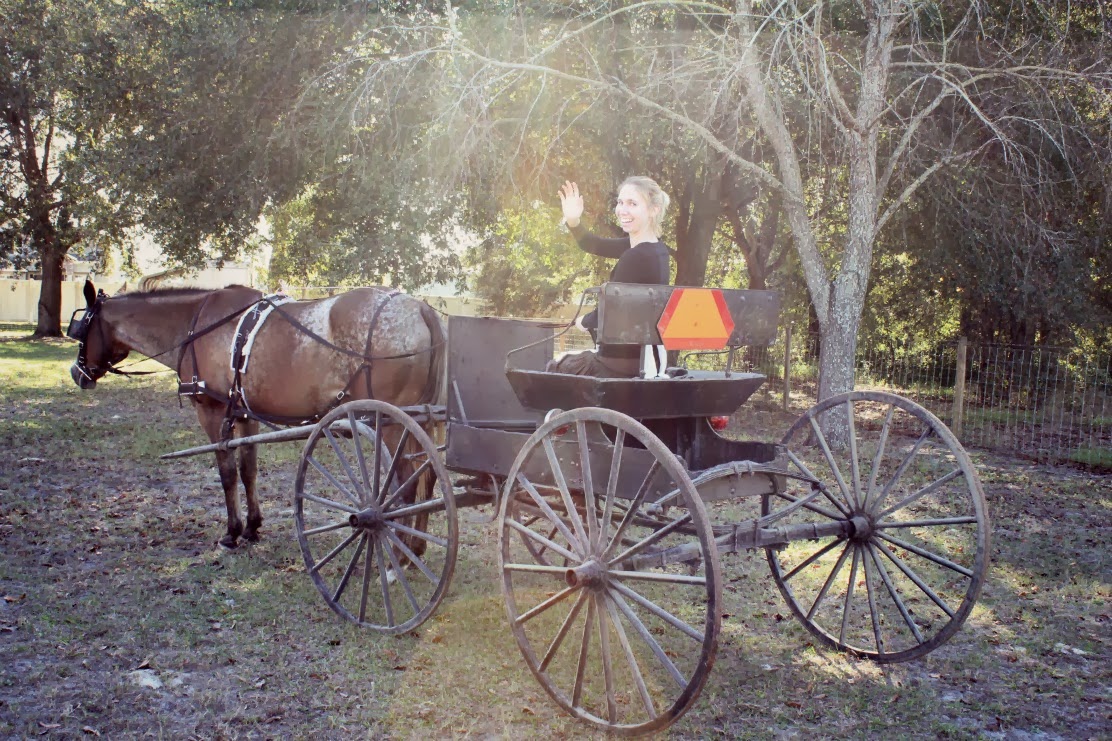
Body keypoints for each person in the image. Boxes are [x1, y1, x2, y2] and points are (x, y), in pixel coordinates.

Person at [547, 177, 673, 377]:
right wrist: (573, 220)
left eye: (632, 203)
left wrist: (584, 321)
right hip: (649, 359)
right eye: (620, 202)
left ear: (653, 210)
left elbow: (608, 313)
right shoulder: (656, 250)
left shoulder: (635, 256)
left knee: (555, 367)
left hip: (620, 363)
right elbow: (591, 243)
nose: (623, 210)